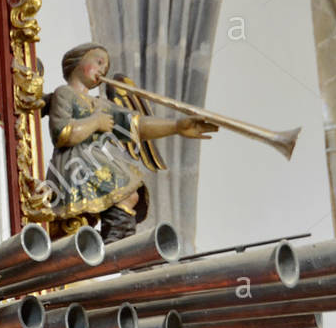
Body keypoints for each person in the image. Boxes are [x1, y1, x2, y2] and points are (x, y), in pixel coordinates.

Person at [45, 43, 217, 241]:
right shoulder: (64, 94)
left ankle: (116, 246)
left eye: (106, 67)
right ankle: (112, 246)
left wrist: (177, 126)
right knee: (125, 194)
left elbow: (135, 125)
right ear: (75, 62)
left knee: (130, 196)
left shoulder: (100, 104)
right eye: (98, 62)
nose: (102, 70)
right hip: (74, 165)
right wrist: (96, 122)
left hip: (94, 163)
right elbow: (62, 133)